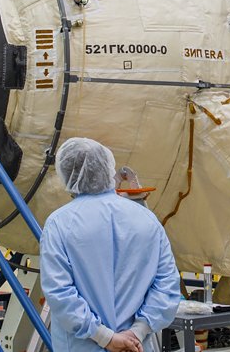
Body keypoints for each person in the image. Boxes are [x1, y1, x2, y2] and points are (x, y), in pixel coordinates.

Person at [41, 138, 182, 352]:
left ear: (66, 174)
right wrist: (137, 331)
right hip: (137, 346)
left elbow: (60, 293)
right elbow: (167, 284)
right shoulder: (147, 219)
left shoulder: (59, 223)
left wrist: (106, 338)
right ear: (108, 168)